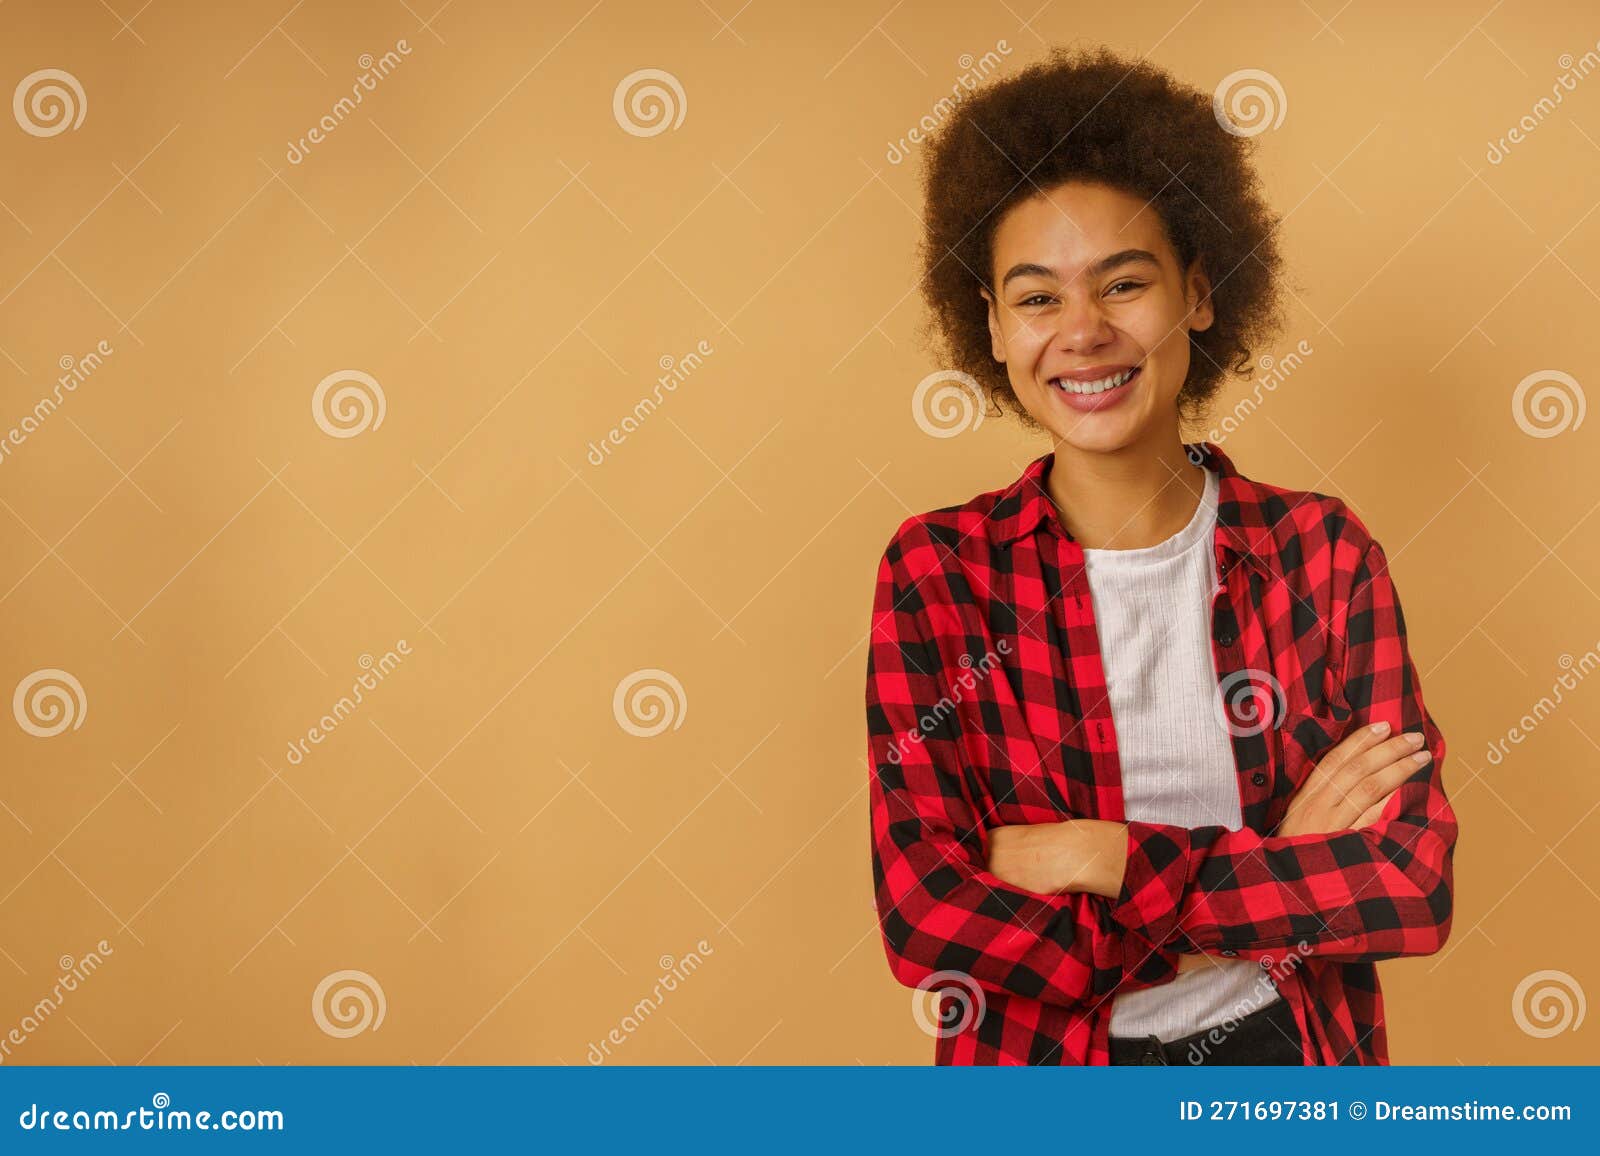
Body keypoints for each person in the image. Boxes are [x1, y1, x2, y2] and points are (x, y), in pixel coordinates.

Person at [864, 45, 1457, 1066]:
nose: (1083, 331)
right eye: (1037, 298)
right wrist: (1274, 869)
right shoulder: (940, 573)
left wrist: (1099, 854)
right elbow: (927, 917)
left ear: (1199, 292)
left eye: (1124, 283)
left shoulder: (1320, 554)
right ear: (992, 328)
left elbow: (1407, 885)